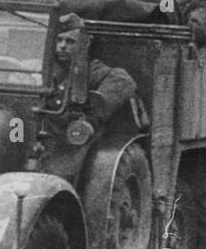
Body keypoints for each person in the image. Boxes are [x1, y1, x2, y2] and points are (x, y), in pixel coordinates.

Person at [32, 13, 137, 180]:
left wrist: (92, 116)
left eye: (70, 41)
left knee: (56, 177)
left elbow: (123, 81)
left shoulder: (92, 71)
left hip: (66, 142)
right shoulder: (40, 68)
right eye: (58, 41)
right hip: (29, 133)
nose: (62, 46)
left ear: (84, 44)